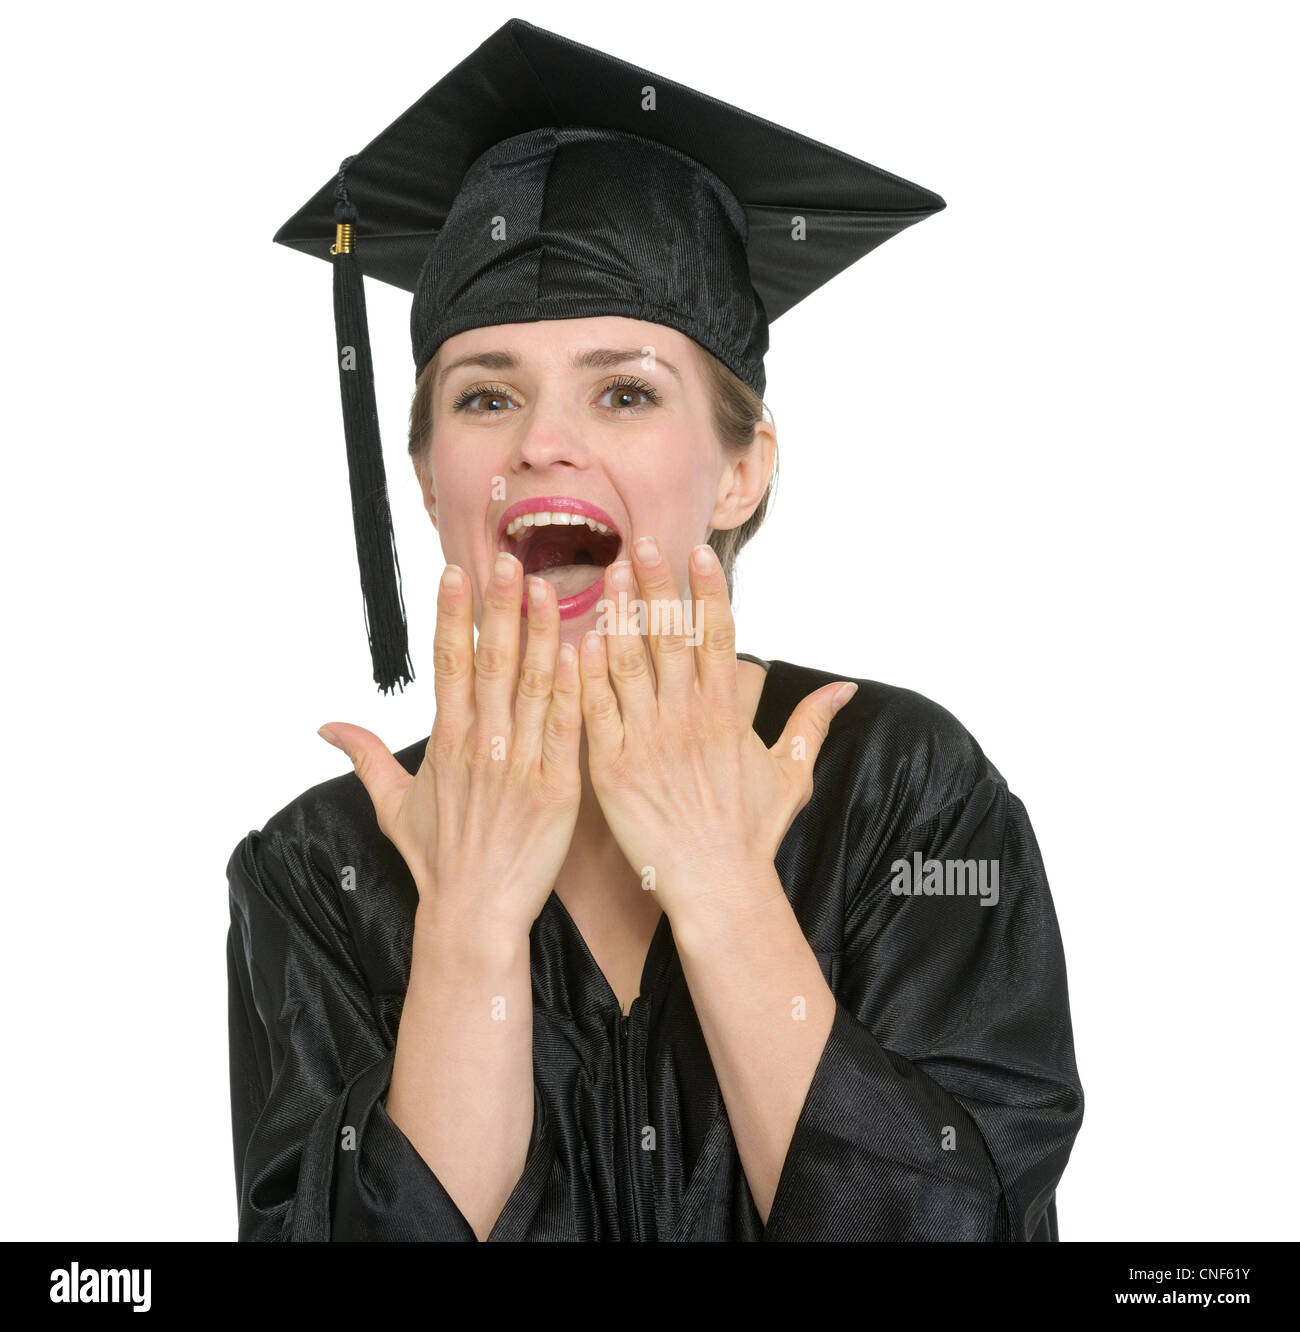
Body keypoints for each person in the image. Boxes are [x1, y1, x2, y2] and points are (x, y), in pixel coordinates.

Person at [226, 18, 1083, 1242]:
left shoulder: (903, 793)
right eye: (485, 396)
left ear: (740, 471)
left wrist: (722, 884)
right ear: (426, 481)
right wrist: (467, 923)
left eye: (623, 389)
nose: (539, 442)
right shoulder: (322, 870)